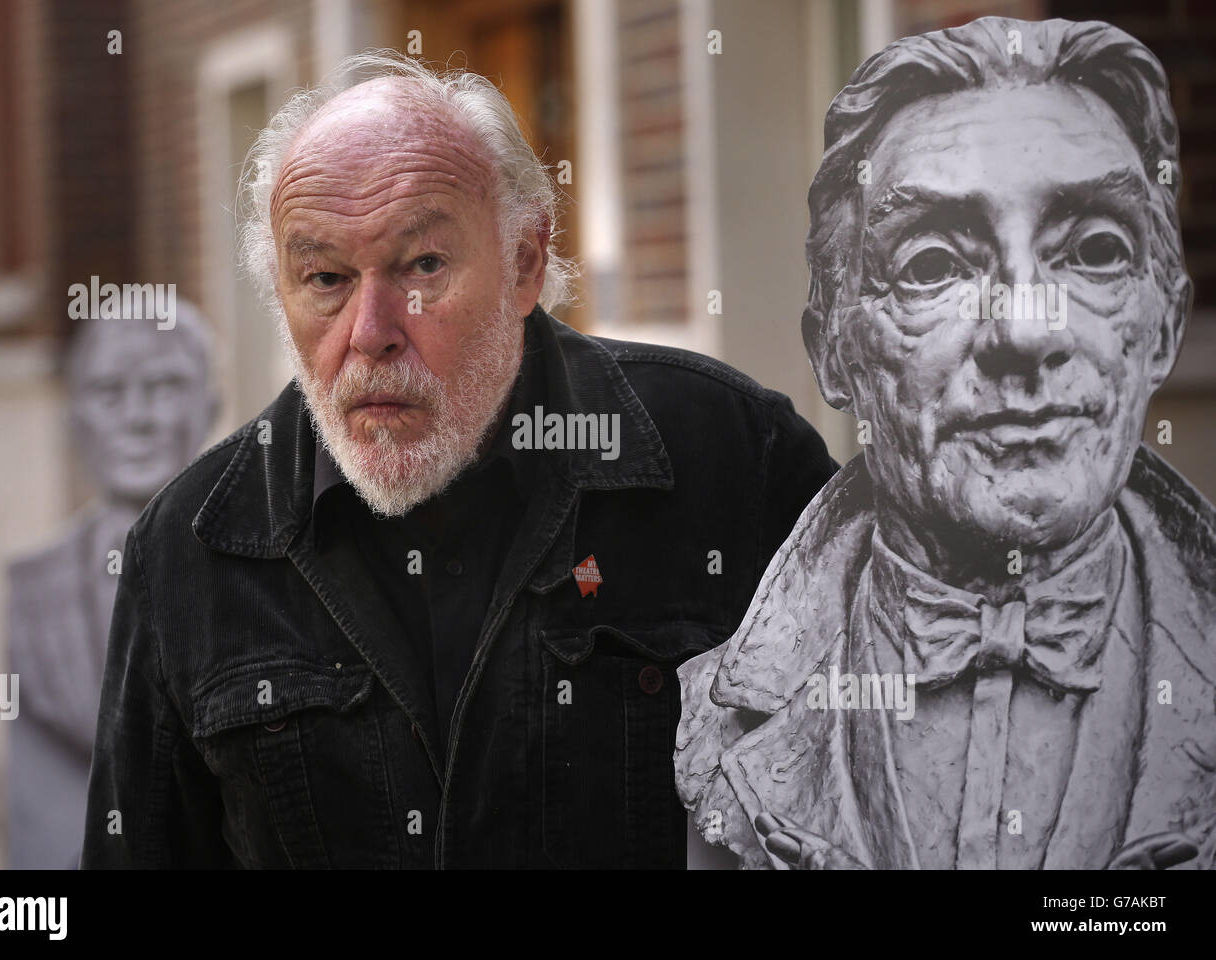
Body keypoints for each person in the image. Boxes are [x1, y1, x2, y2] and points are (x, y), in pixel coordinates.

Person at [79, 50, 835, 868]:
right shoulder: (192, 550)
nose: (371, 332)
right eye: (325, 277)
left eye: (423, 265)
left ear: (525, 263)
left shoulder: (732, 461)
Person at [677, 16, 1216, 871]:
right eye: (933, 265)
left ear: (1162, 328)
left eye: (1094, 252)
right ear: (835, 352)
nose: (1023, 332)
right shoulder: (727, 710)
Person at [8, 302, 217, 868]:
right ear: (74, 419)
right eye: (109, 392)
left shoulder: (264, 584)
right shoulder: (23, 597)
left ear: (210, 407)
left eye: (165, 386)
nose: (138, 417)